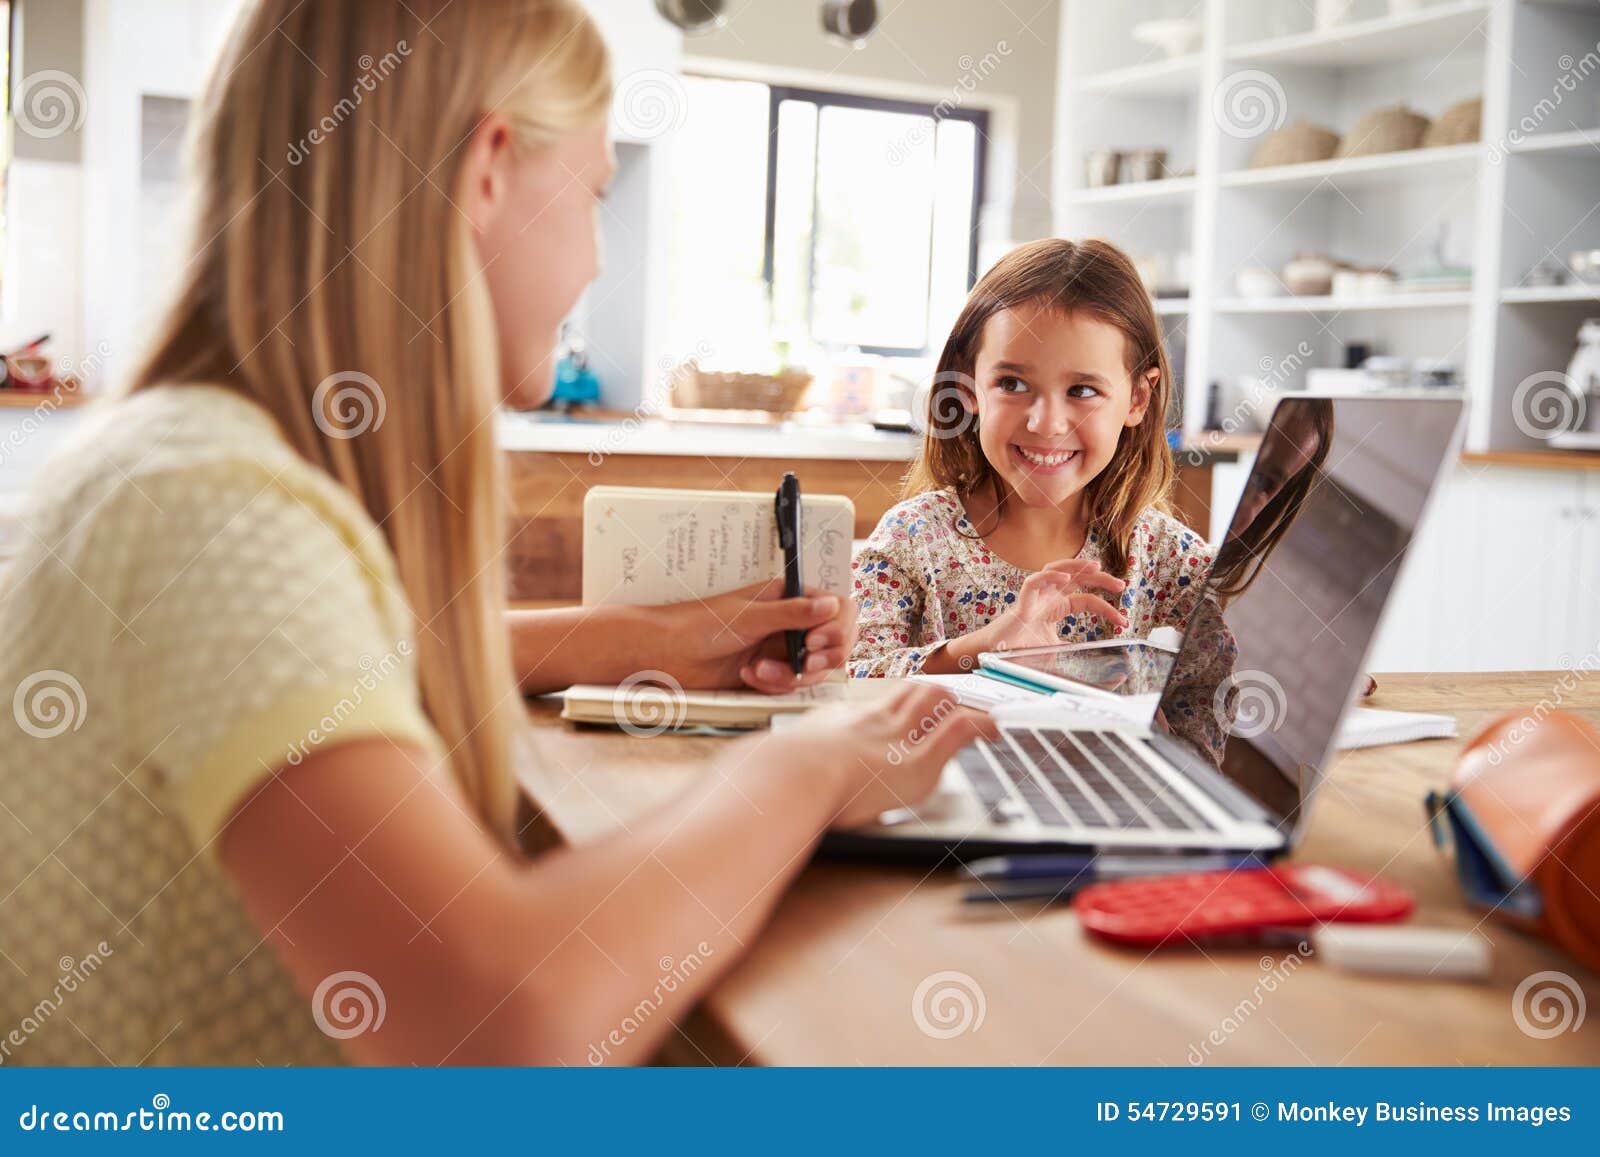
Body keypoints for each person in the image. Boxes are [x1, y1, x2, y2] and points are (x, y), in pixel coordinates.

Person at [0, 0, 992, 1066]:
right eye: (595, 192)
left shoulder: (189, 462)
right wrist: (814, 765)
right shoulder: (219, 512)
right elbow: (501, 1021)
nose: (600, 261)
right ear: (486, 170)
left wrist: (649, 637)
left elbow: (371, 656)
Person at [848, 238, 1212, 678]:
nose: (1046, 423)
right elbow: (854, 681)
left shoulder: (1176, 563)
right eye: (1013, 384)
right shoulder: (912, 539)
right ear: (968, 387)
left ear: (1136, 399)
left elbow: (1207, 718)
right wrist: (982, 648)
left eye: (1082, 391)